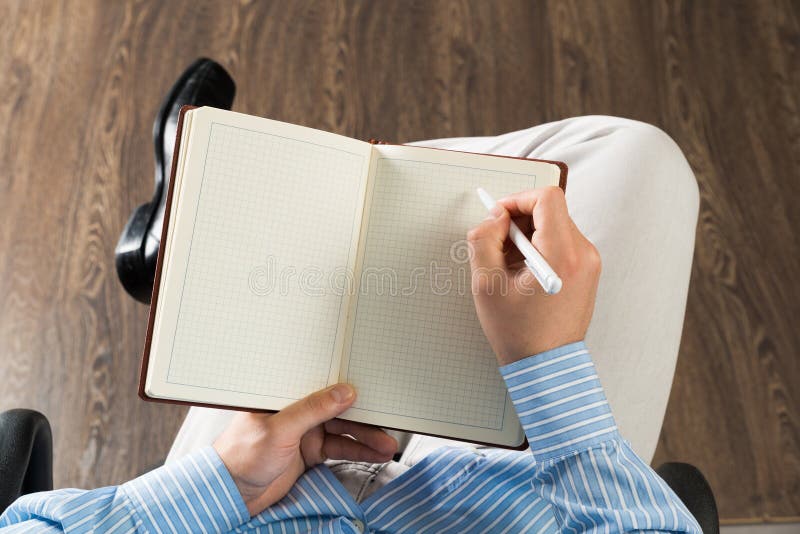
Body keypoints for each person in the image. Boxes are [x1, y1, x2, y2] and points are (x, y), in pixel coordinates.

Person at [0, 116, 701, 533]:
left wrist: (225, 481)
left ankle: (195, 223)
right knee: (637, 156)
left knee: (335, 246)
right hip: (524, 497)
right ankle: (194, 221)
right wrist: (546, 360)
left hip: (251, 496)